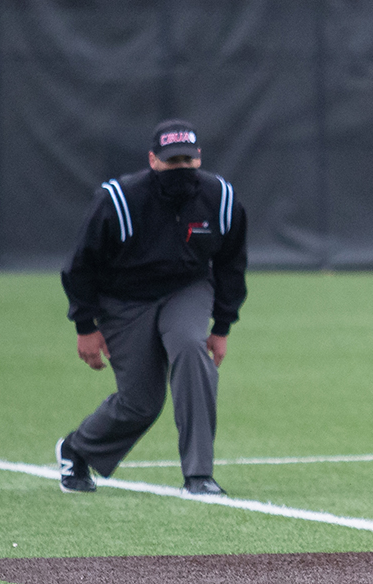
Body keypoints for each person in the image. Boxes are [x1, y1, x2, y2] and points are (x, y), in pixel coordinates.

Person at [56, 120, 247, 496]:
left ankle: (198, 475)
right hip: (124, 299)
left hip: (186, 290)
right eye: (171, 161)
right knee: (141, 402)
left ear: (198, 159)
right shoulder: (118, 199)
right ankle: (77, 449)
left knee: (192, 349)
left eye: (186, 161)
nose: (180, 169)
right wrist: (85, 326)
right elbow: (80, 266)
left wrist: (222, 326)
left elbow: (231, 264)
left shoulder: (220, 198)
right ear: (152, 160)